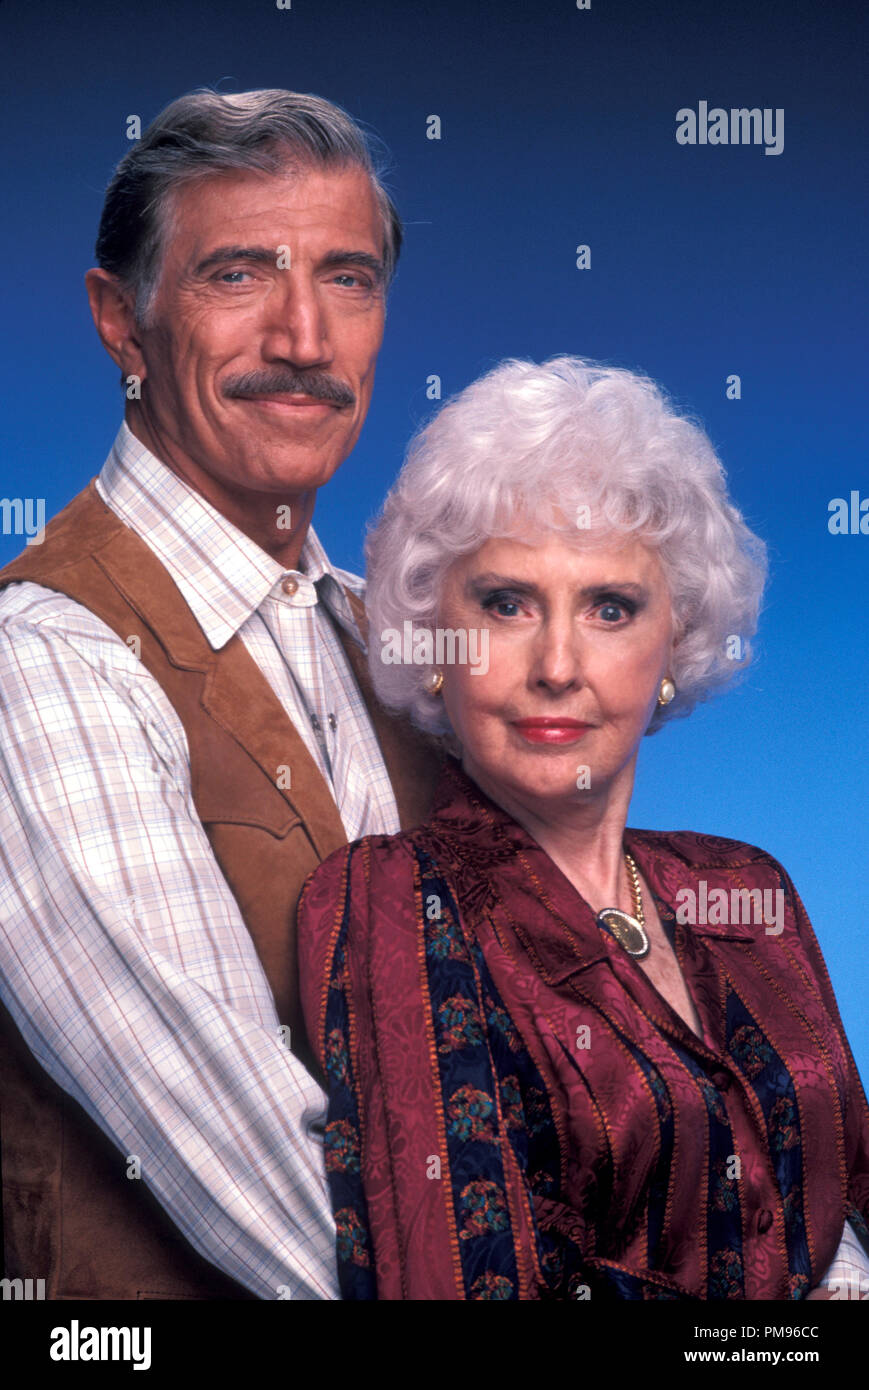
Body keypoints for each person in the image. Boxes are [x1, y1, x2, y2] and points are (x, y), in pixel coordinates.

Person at [297, 356, 869, 1300]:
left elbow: (845, 1201)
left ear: (674, 647)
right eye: (506, 604)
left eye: (609, 608)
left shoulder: (745, 891)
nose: (557, 665)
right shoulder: (396, 901)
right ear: (431, 643)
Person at [0, 88, 441, 1301]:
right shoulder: (44, 656)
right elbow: (244, 1159)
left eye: (347, 278)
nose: (304, 336)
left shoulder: (396, 646)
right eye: (239, 274)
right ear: (120, 321)